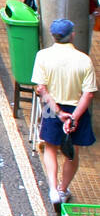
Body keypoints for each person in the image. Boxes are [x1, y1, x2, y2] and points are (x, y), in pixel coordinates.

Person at [33, 18, 98, 205]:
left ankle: (53, 189)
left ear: (53, 36)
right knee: (71, 151)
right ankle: (63, 189)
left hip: (53, 108)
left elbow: (42, 89)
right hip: (77, 109)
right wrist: (74, 117)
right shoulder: (84, 60)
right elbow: (88, 94)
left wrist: (59, 112)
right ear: (73, 35)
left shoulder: (43, 56)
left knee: (50, 147)